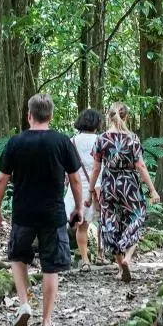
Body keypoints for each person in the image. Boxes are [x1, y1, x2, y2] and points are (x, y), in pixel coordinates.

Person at [0, 93, 83, 326]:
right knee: (50, 267)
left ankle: (24, 303)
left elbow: (1, 179)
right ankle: (47, 322)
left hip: (23, 212)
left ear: (29, 115)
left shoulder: (15, 142)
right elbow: (74, 178)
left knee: (17, 257)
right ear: (50, 116)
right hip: (53, 214)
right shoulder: (62, 142)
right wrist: (78, 208)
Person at [87, 102, 160, 283]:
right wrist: (152, 189)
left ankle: (120, 269)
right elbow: (140, 165)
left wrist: (90, 191)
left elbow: (96, 168)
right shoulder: (132, 138)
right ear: (125, 117)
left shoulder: (101, 139)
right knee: (136, 218)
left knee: (111, 224)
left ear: (109, 117)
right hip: (130, 185)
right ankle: (127, 257)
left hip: (109, 185)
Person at [65, 108, 103, 270]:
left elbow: (67, 167)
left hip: (76, 188)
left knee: (77, 225)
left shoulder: (72, 141)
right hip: (96, 188)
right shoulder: (100, 140)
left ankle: (85, 259)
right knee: (95, 224)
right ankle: (100, 256)